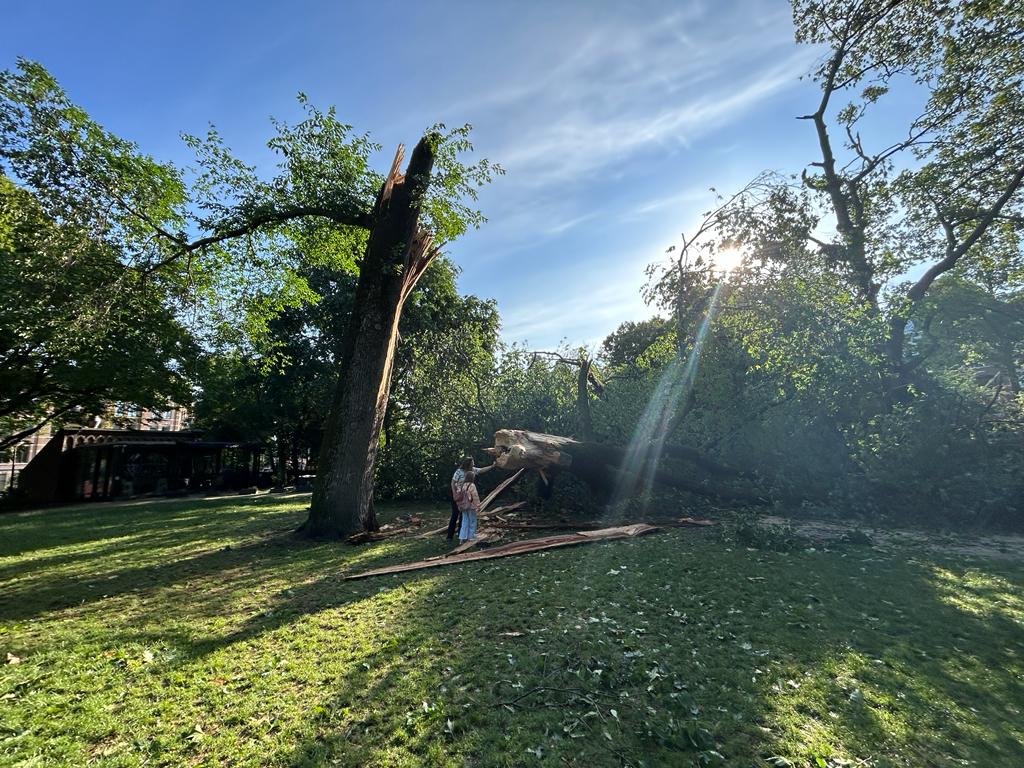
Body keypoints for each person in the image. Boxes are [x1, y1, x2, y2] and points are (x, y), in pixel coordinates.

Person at [447, 456, 494, 541]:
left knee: (463, 516)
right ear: (468, 464)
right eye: (472, 463)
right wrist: (454, 493)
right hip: (458, 495)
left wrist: (492, 466)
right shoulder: (459, 472)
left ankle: (461, 535)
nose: (474, 464)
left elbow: (482, 470)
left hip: (466, 496)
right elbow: (453, 482)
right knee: (455, 514)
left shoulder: (473, 470)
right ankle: (450, 536)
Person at [456, 470, 481, 544]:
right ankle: (471, 537)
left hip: (463, 506)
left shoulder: (462, 485)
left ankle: (462, 537)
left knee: (464, 521)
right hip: (471, 505)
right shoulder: (472, 485)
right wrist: (478, 505)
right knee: (472, 521)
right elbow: (475, 496)